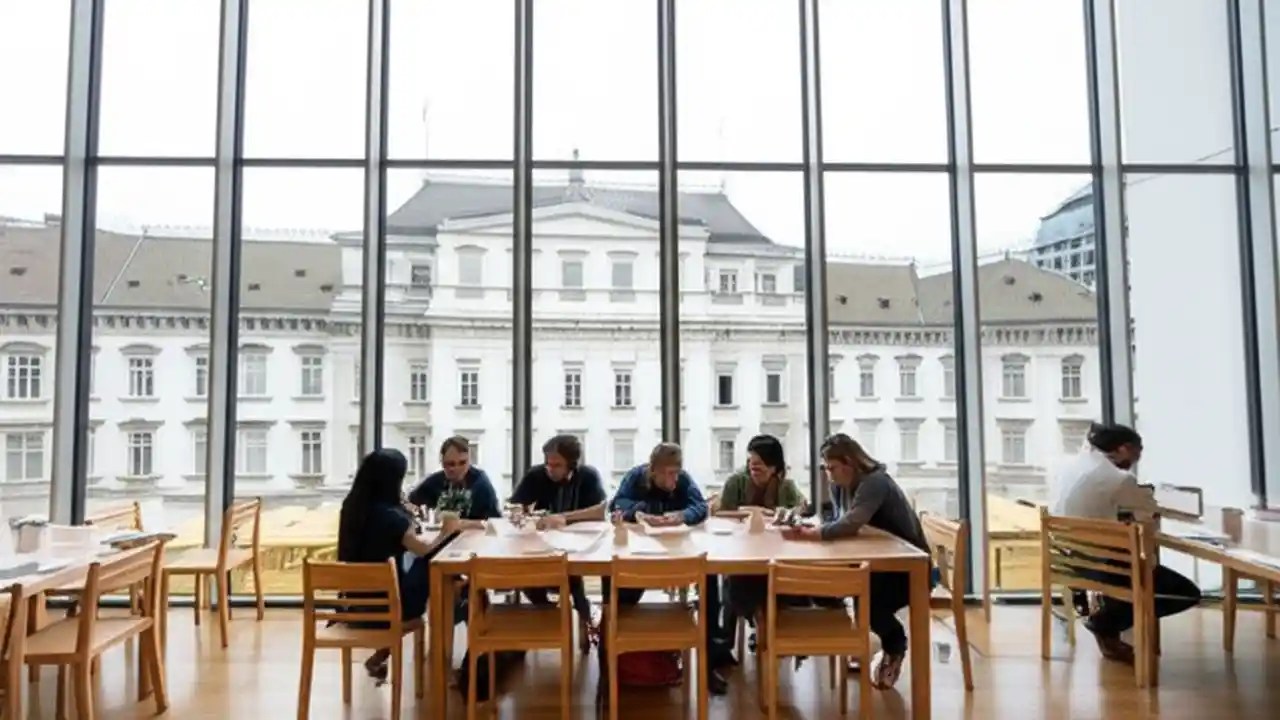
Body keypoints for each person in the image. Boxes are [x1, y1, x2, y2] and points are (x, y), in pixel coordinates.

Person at [781, 433, 931, 690]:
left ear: (850, 462)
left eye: (832, 468)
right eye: (826, 468)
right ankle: (851, 642)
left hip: (907, 569)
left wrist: (814, 534)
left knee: (866, 602)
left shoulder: (875, 482)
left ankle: (894, 645)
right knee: (833, 587)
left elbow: (851, 522)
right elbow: (840, 520)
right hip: (877, 562)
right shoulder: (840, 485)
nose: (828, 474)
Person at [1051, 422, 1201, 664]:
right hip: (1099, 564)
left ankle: (1108, 629)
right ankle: (1104, 624)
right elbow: (1148, 515)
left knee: (1127, 559)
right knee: (1183, 593)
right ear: (1124, 448)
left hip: (1067, 558)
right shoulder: (1117, 478)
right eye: (1135, 455)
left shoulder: (1070, 466)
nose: (1134, 462)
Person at [604, 443, 732, 695]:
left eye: (676, 472)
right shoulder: (635, 477)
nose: (674, 478)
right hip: (638, 552)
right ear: (653, 471)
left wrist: (680, 516)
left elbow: (700, 508)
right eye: (668, 473)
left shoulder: (683, 480)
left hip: (677, 550)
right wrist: (641, 513)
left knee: (709, 578)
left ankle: (709, 661)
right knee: (616, 587)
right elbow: (617, 506)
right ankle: (613, 662)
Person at [337, 448, 459, 683]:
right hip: (388, 609)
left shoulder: (352, 506)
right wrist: (448, 530)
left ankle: (383, 653)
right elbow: (425, 549)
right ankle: (443, 658)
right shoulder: (392, 517)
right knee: (434, 565)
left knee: (411, 573)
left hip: (354, 605)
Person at [715, 435, 806, 638]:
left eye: (759, 466)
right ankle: (737, 630)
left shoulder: (785, 486)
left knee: (781, 578)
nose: (753, 470)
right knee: (738, 579)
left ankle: (769, 623)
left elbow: (800, 508)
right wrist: (751, 512)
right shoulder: (736, 482)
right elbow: (720, 512)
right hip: (742, 549)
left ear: (774, 468)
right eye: (751, 465)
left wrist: (789, 513)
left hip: (777, 553)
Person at [509, 434, 606, 622]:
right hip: (542, 544)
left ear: (571, 464)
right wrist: (521, 514)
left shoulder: (587, 476)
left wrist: (563, 518)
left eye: (556, 465)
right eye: (548, 463)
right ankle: (555, 616)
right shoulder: (536, 475)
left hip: (580, 544)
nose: (550, 469)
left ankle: (577, 615)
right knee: (529, 579)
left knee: (569, 572)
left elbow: (600, 511)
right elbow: (515, 506)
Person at [407, 436, 501, 523]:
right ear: (442, 463)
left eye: (463, 463)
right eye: (451, 464)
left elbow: (493, 522)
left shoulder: (481, 484)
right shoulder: (434, 481)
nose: (457, 468)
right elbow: (411, 502)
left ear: (469, 460)